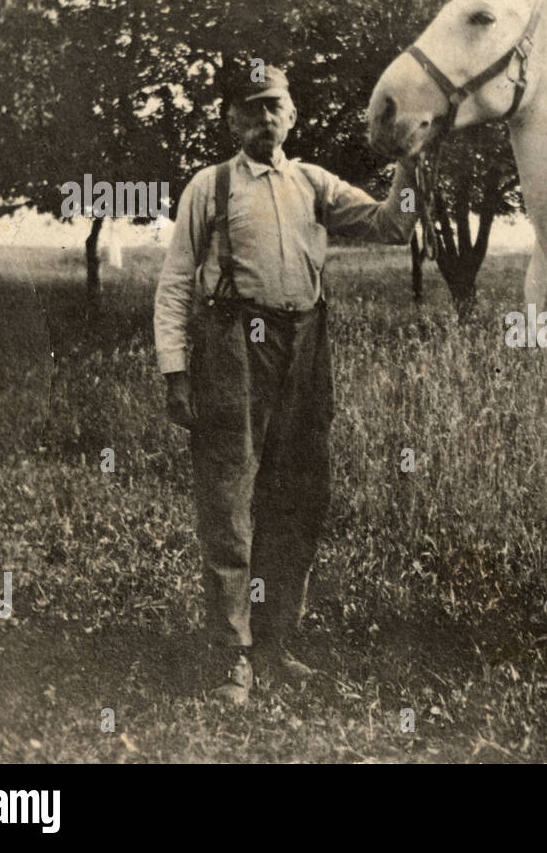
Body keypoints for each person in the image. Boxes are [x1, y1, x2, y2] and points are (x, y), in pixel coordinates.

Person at [154, 64, 417, 704]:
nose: (265, 120)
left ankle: (274, 641)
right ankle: (233, 658)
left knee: (298, 492)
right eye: (252, 109)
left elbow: (392, 225)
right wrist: (176, 373)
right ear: (232, 121)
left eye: (276, 108)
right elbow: (174, 282)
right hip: (233, 348)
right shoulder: (209, 187)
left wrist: (412, 164)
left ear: (291, 117)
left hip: (305, 346)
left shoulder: (313, 183)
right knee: (229, 497)